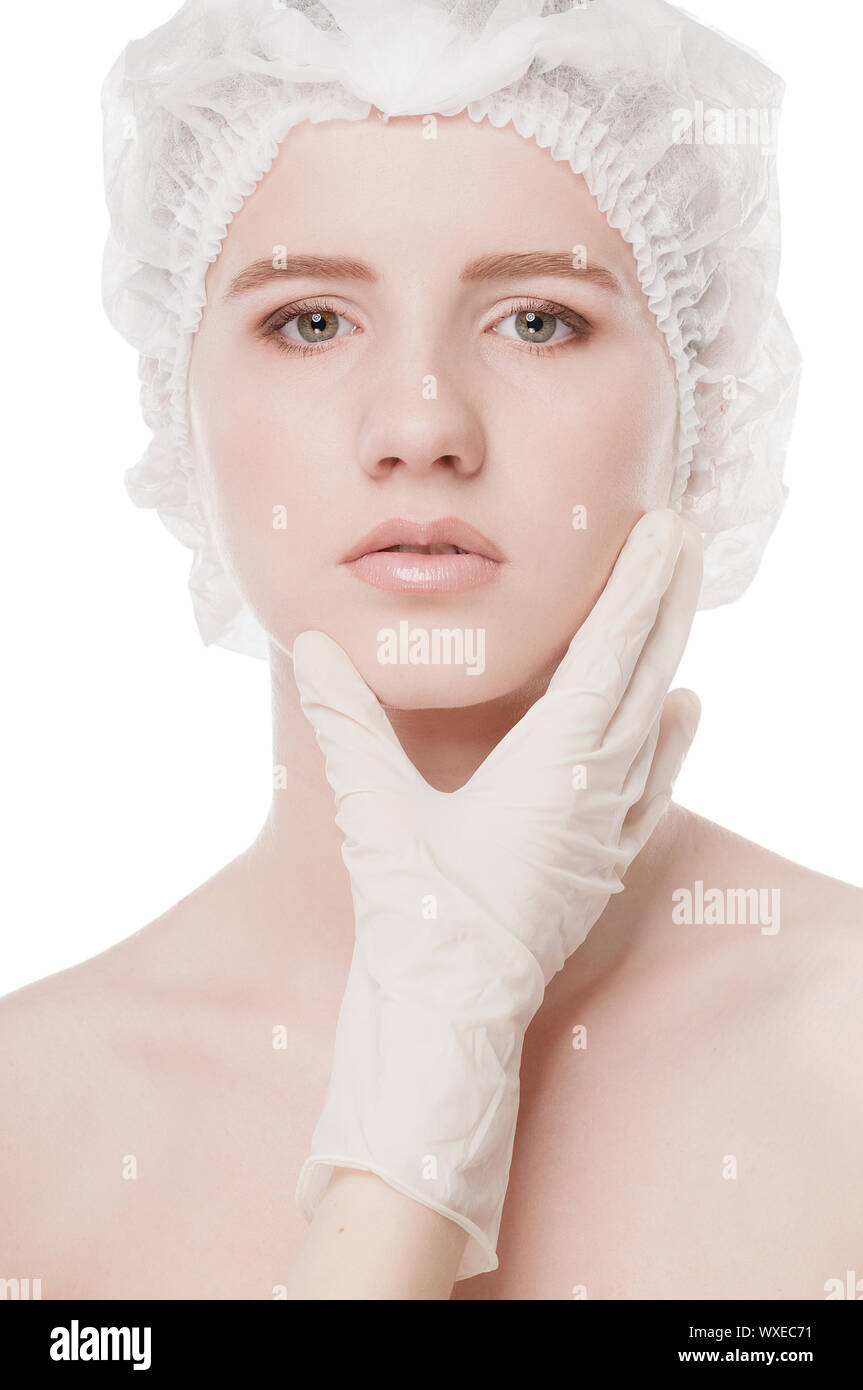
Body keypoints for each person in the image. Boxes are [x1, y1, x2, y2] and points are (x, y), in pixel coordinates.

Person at [1, 0, 860, 1302]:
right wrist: (416, 1104)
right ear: (175, 393)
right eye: (309, 319)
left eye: (537, 320)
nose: (421, 422)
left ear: (710, 391)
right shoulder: (34, 1131)